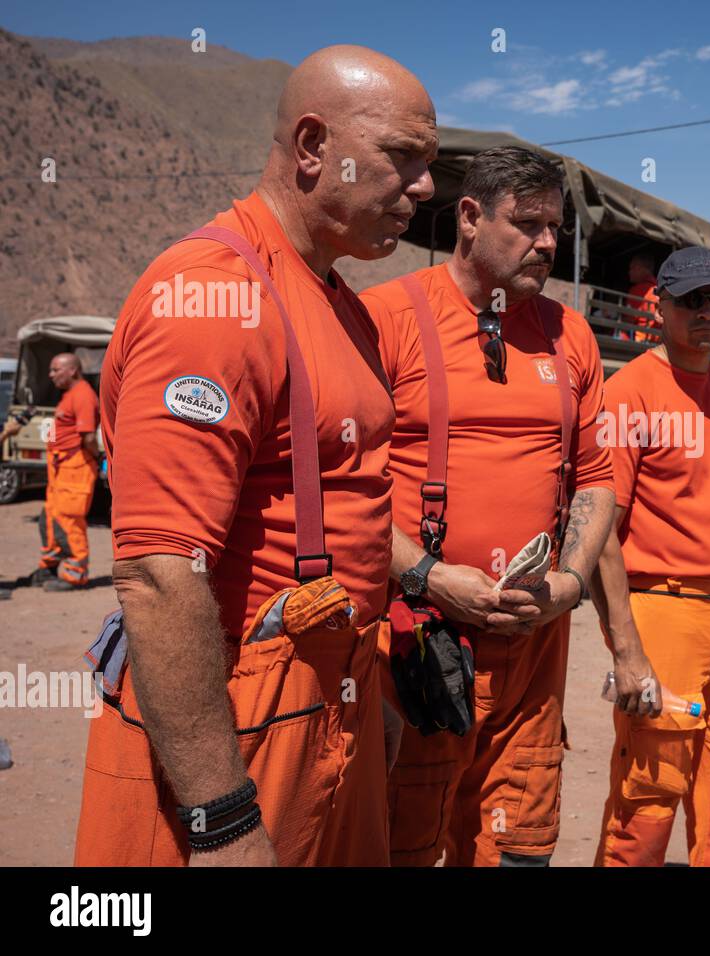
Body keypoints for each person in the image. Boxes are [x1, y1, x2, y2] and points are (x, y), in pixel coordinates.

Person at [74, 46, 438, 866]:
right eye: (402, 157)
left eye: (431, 164)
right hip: (238, 719)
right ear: (313, 146)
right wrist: (223, 817)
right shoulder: (215, 297)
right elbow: (160, 572)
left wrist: (361, 684)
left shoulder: (341, 303)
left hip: (327, 696)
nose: (424, 188)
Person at [361, 145, 617, 867]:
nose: (546, 243)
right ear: (470, 217)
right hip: (417, 646)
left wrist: (567, 584)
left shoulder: (572, 335)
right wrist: (430, 576)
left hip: (533, 653)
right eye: (527, 223)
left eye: (554, 227)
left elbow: (597, 479)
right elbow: (344, 487)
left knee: (521, 845)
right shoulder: (386, 319)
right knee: (403, 837)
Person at [590, 246, 710, 867]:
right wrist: (626, 647)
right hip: (662, 613)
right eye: (690, 301)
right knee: (649, 793)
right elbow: (600, 533)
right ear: (660, 308)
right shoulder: (630, 394)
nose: (706, 312)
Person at [0, 353, 101, 593]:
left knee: (69, 519)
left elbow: (88, 438)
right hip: (59, 468)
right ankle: (50, 566)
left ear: (72, 371)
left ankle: (76, 573)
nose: (51, 375)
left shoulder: (84, 396)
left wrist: (94, 458)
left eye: (56, 370)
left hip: (75, 467)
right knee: (51, 516)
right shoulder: (69, 396)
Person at [626, 252, 660, 342]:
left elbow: (629, 318)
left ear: (644, 269)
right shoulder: (661, 290)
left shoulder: (638, 290)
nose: (629, 272)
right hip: (656, 340)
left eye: (632, 268)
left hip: (638, 338)